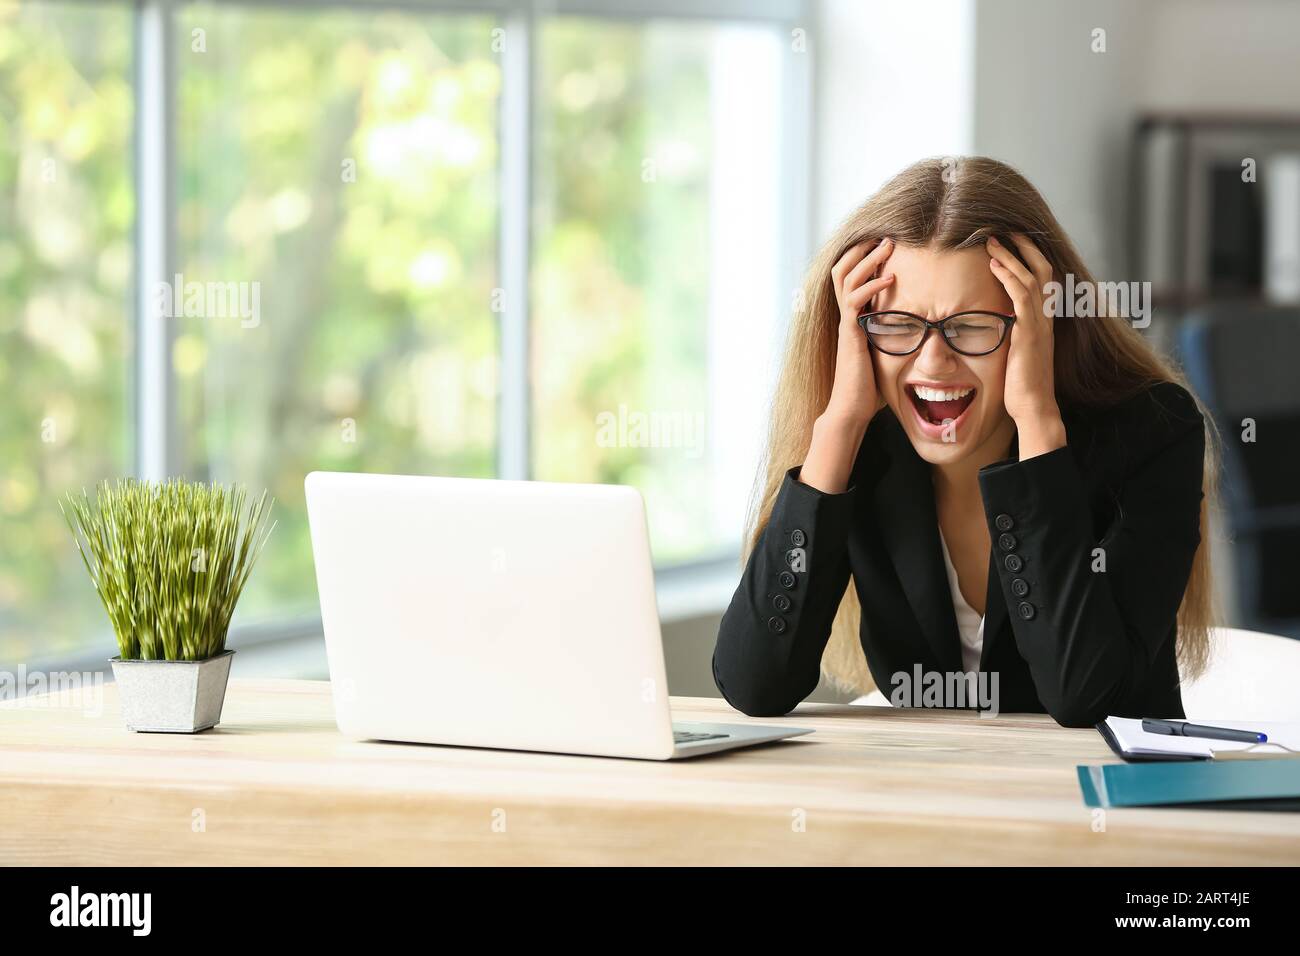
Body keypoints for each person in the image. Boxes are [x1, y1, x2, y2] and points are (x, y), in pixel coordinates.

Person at [711, 156, 1216, 728]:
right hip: (940, 798)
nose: (932, 362)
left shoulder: (1152, 434)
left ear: (1036, 328)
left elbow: (1085, 695)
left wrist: (1039, 428)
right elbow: (755, 684)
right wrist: (838, 428)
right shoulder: (864, 449)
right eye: (897, 324)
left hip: (1110, 804)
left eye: (972, 324)